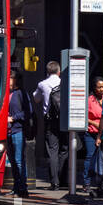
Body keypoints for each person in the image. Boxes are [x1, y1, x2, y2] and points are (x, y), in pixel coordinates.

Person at [34, 61, 65, 189]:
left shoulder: (42, 84)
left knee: (52, 151)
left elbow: (36, 99)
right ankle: (63, 177)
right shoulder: (64, 83)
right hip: (64, 119)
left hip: (50, 120)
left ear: (47, 72)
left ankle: (54, 181)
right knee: (64, 149)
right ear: (59, 72)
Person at [6, 69, 33, 197]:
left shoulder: (21, 93)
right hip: (8, 131)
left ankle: (23, 188)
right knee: (12, 160)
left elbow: (28, 112)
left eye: (10, 78)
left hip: (18, 130)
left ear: (15, 80)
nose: (8, 81)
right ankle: (16, 187)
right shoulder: (8, 93)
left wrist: (14, 118)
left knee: (18, 160)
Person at [84, 77, 103, 192]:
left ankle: (101, 183)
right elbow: (85, 117)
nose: (101, 89)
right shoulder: (89, 100)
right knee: (90, 156)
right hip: (91, 132)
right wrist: (95, 124)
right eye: (99, 87)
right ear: (94, 88)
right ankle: (87, 182)